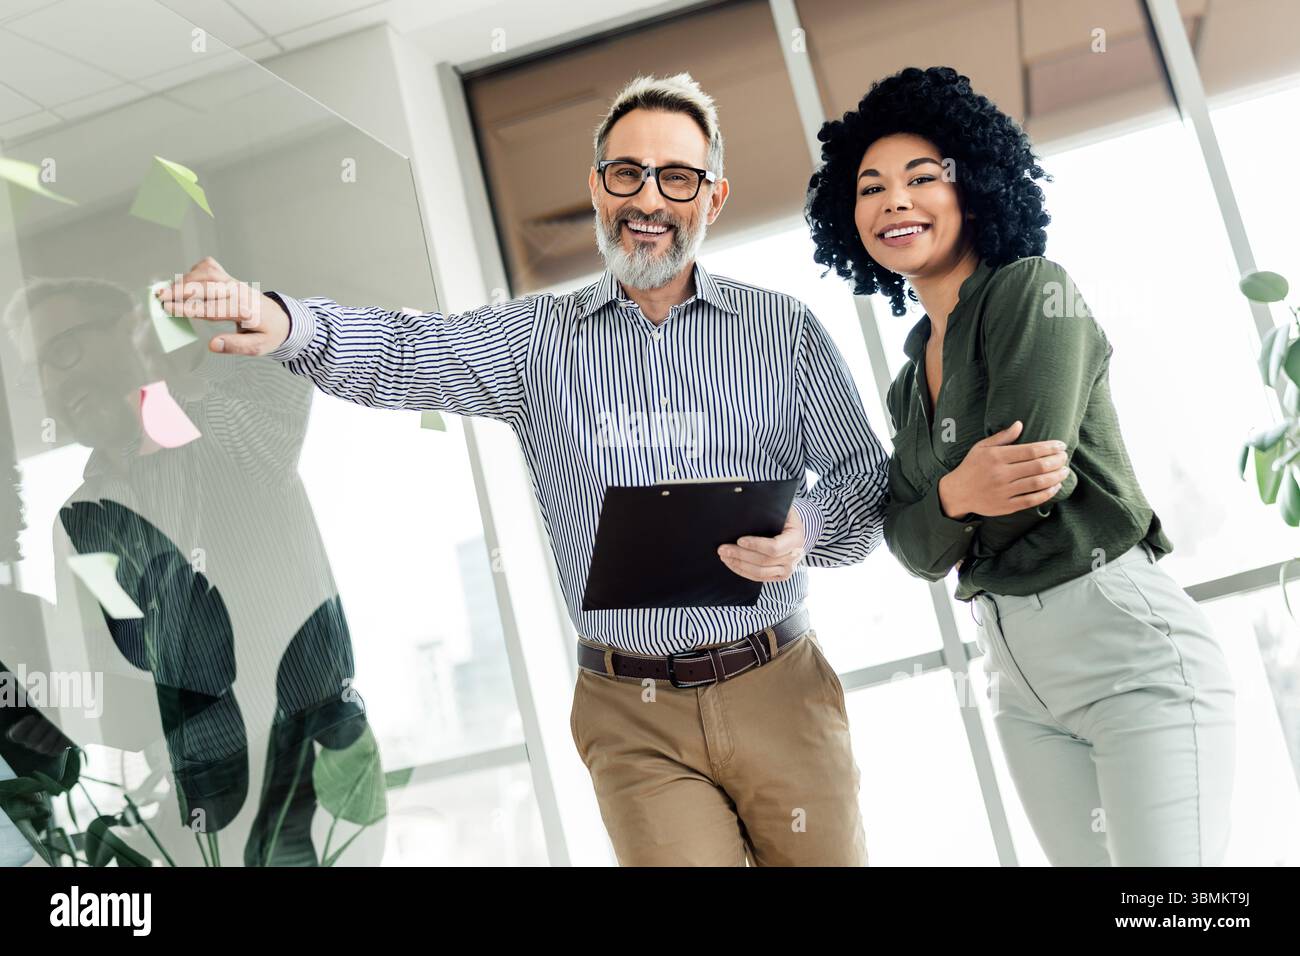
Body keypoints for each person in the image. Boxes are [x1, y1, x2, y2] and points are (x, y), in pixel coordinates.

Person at [158, 73, 889, 866]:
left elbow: (865, 484)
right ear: (598, 188)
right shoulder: (539, 339)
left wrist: (803, 531)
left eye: (677, 177)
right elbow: (411, 352)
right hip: (632, 716)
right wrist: (288, 322)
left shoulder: (783, 332)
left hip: (779, 687)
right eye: (627, 173)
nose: (649, 198)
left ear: (711, 200)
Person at [805, 65, 1236, 866]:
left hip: (1125, 648)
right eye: (870, 188)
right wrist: (962, 494)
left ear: (976, 187)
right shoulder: (908, 385)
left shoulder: (1034, 293)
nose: (894, 200)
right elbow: (908, 548)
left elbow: (1028, 486)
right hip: (1015, 678)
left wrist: (948, 504)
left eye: (921, 178)